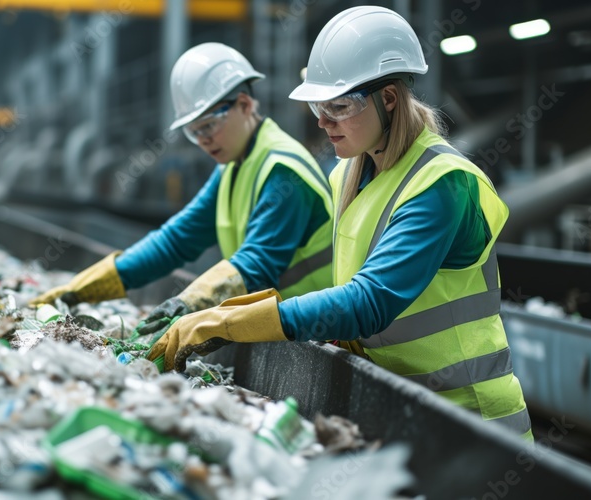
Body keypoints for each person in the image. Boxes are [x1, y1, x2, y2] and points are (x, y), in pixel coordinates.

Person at [146, 6, 532, 439]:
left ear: (389, 99)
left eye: (338, 106)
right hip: (400, 409)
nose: (321, 121)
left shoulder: (443, 184)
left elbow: (368, 302)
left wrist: (229, 321)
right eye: (317, 105)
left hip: (470, 422)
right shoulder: (346, 174)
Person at [31, 43, 334, 338]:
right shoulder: (234, 166)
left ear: (244, 105)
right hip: (277, 325)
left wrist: (185, 304)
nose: (203, 140)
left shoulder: (283, 171)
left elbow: (256, 265)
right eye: (194, 131)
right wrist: (80, 289)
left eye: (209, 126)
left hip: (318, 331)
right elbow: (174, 241)